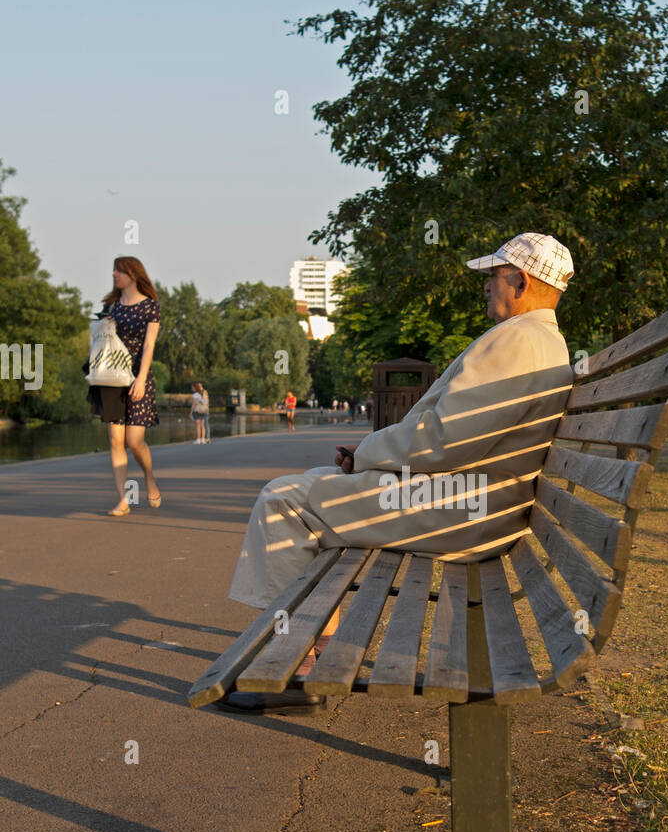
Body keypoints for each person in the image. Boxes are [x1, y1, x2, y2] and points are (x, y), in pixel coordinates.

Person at [224, 231, 575, 711]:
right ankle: (313, 656)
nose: (486, 286)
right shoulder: (539, 340)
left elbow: (446, 439)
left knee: (285, 498)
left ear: (520, 280)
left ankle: (299, 668)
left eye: (493, 276)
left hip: (460, 508)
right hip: (472, 500)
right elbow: (449, 440)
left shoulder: (519, 342)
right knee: (306, 489)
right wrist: (371, 460)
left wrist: (368, 455)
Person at [88, 256, 162, 515]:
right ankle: (123, 500)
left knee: (134, 440)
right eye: (114, 270)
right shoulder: (112, 306)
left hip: (137, 377)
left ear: (133, 273)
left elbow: (149, 345)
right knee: (115, 440)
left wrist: (141, 378)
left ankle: (149, 477)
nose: (114, 275)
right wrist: (104, 325)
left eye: (119, 271)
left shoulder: (151, 307)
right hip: (111, 377)